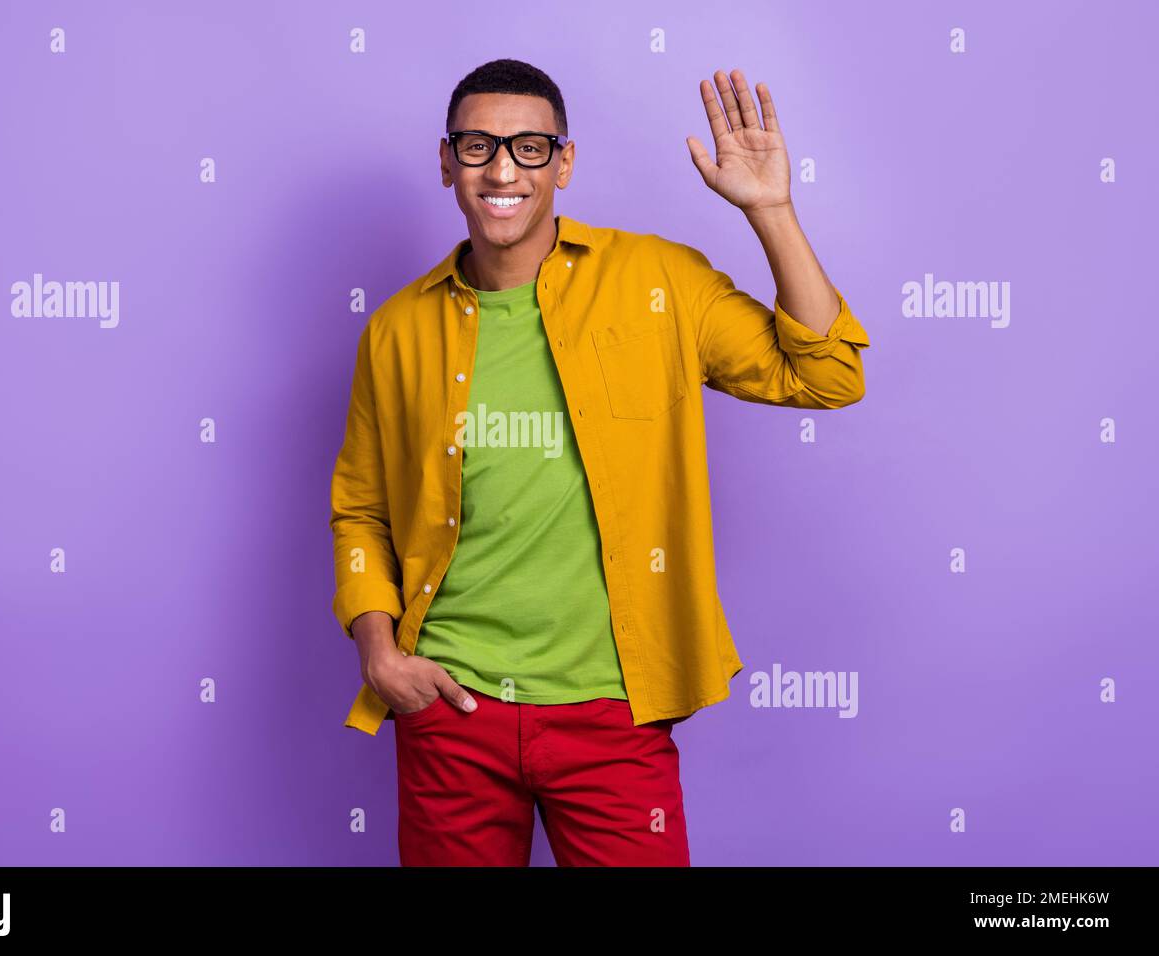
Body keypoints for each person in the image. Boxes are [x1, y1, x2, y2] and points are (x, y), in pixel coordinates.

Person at [328, 58, 870, 866]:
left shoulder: (659, 281)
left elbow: (826, 374)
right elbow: (362, 508)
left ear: (565, 162)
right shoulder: (398, 329)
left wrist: (773, 211)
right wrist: (379, 651)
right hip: (451, 713)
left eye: (529, 147)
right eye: (477, 147)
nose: (503, 169)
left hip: (615, 710)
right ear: (446, 163)